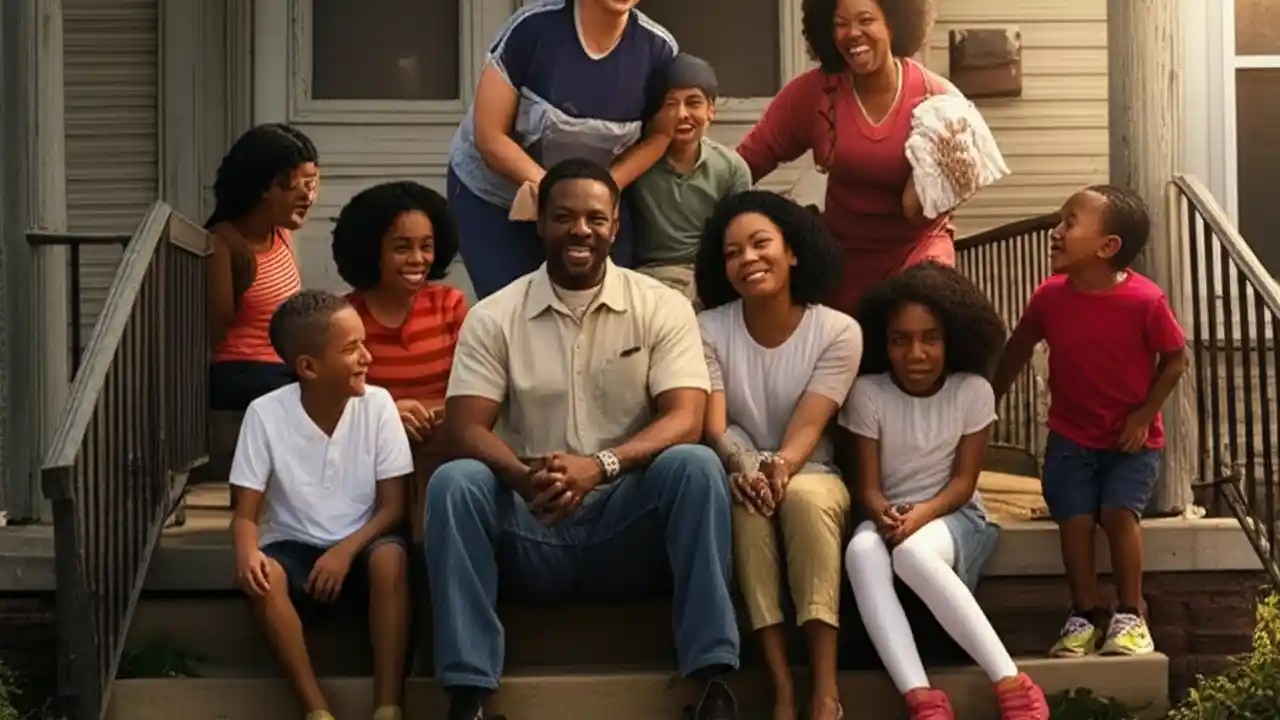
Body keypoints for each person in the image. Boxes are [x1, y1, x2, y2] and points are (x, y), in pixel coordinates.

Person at [426, 158, 741, 720]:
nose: (580, 230)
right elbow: (464, 426)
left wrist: (600, 467)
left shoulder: (662, 306)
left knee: (694, 465)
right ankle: (468, 694)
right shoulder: (495, 315)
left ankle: (711, 683)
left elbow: (687, 416)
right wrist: (525, 480)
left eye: (596, 218)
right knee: (456, 481)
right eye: (564, 216)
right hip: (531, 526)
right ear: (540, 222)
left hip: (627, 525)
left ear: (616, 226)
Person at [841, 263, 1049, 720]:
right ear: (884, 343)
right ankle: (922, 699)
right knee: (861, 553)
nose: (916, 352)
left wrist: (919, 515)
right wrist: (883, 513)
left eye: (930, 338)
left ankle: (1013, 684)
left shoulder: (972, 391)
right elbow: (869, 487)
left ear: (952, 338)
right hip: (888, 512)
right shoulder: (868, 394)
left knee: (911, 554)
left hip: (952, 515)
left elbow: (962, 484)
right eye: (900, 340)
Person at [992, 185, 1188, 659]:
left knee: (1119, 514)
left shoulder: (1145, 300)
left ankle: (1129, 616)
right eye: (1059, 221)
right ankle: (1083, 613)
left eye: (1069, 223)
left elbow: (1176, 359)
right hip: (1070, 437)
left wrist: (1144, 415)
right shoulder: (1049, 297)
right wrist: (986, 397)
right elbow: (1018, 349)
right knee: (1074, 520)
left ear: (1107, 247)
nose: (1055, 232)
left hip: (1130, 441)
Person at [696, 191, 861, 720]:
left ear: (792, 251)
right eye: (732, 252)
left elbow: (810, 425)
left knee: (807, 504)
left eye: (760, 243)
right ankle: (781, 687)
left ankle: (826, 691)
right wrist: (743, 467)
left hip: (809, 465)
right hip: (737, 465)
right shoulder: (707, 328)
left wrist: (781, 468)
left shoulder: (838, 330)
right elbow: (715, 423)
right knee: (746, 514)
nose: (747, 259)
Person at [229, 290, 413, 720]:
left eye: (363, 343)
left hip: (361, 547)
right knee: (262, 575)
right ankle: (315, 710)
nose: (366, 356)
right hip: (293, 550)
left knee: (391, 558)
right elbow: (245, 514)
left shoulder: (379, 406)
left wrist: (344, 551)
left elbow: (393, 508)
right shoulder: (265, 414)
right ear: (308, 367)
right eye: (351, 348)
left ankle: (388, 706)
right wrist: (245, 553)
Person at [737, 0, 976, 316]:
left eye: (866, 20)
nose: (852, 33)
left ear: (893, 22)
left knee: (919, 317)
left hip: (917, 250)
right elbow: (747, 161)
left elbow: (939, 199)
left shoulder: (938, 100)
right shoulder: (815, 94)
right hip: (841, 256)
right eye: (840, 23)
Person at [447, 0, 682, 299]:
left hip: (591, 201)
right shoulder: (532, 29)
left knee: (603, 307)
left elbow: (659, 135)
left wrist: (606, 188)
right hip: (497, 199)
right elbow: (490, 137)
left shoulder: (658, 49)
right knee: (515, 311)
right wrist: (561, 194)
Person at [332, 180, 467, 541]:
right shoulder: (343, 317)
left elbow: (474, 389)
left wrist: (427, 412)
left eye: (426, 246)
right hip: (371, 455)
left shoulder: (450, 305)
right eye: (402, 247)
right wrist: (390, 414)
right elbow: (330, 406)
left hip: (439, 446)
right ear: (371, 251)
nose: (417, 259)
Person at [206, 123, 318, 411]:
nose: (308, 197)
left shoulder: (282, 234)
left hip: (285, 369)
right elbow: (210, 336)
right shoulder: (222, 245)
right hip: (242, 377)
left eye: (313, 183)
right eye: (295, 185)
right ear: (261, 188)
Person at [631, 54, 752, 304]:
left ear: (711, 110)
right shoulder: (635, 165)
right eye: (670, 104)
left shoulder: (730, 168)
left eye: (693, 103)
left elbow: (738, 235)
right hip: (646, 278)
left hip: (707, 276)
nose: (682, 114)